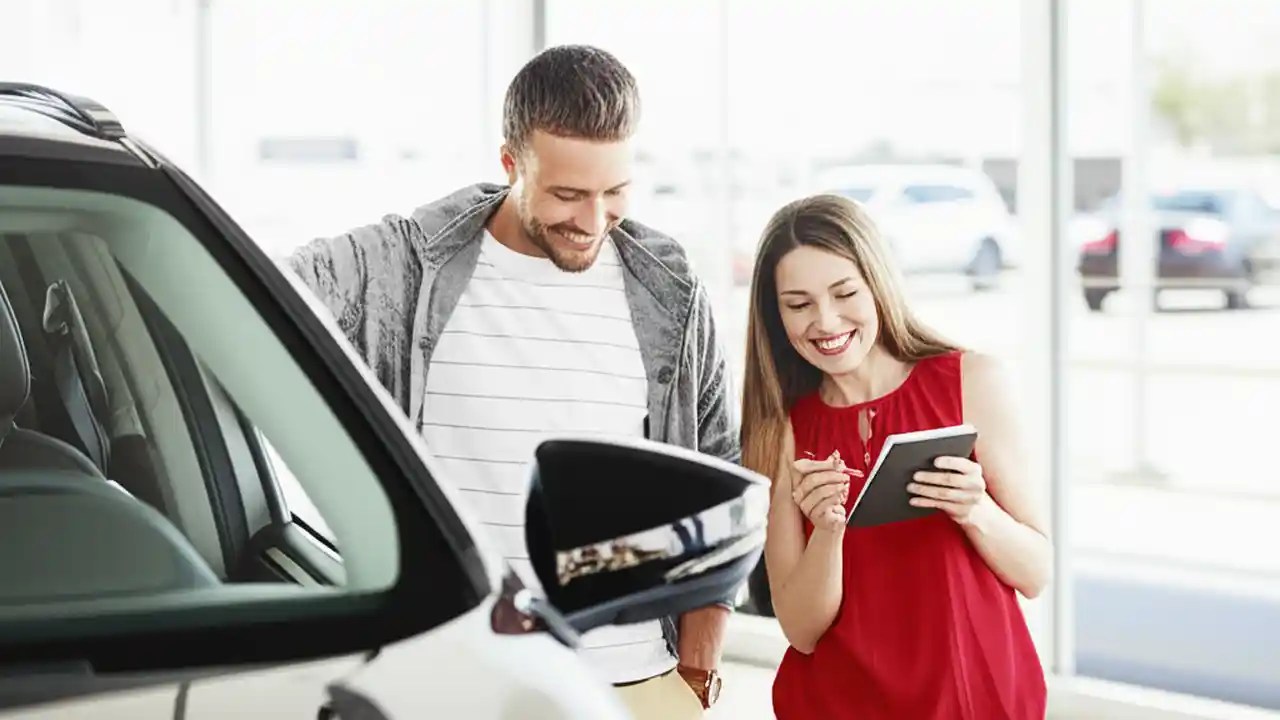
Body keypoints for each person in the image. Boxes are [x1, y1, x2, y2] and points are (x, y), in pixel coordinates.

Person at [285, 45, 735, 718]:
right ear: (509, 164)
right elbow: (252, 286)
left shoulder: (669, 292)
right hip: (460, 678)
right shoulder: (405, 266)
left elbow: (717, 473)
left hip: (635, 683)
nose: (592, 222)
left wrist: (697, 672)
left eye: (614, 193)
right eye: (566, 195)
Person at [740, 194, 1051, 719]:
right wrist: (829, 530)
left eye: (844, 293)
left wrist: (976, 510)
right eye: (799, 304)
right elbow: (802, 629)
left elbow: (1035, 572)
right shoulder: (780, 429)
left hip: (972, 699)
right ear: (776, 315)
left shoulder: (971, 383)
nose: (826, 321)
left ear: (877, 283)